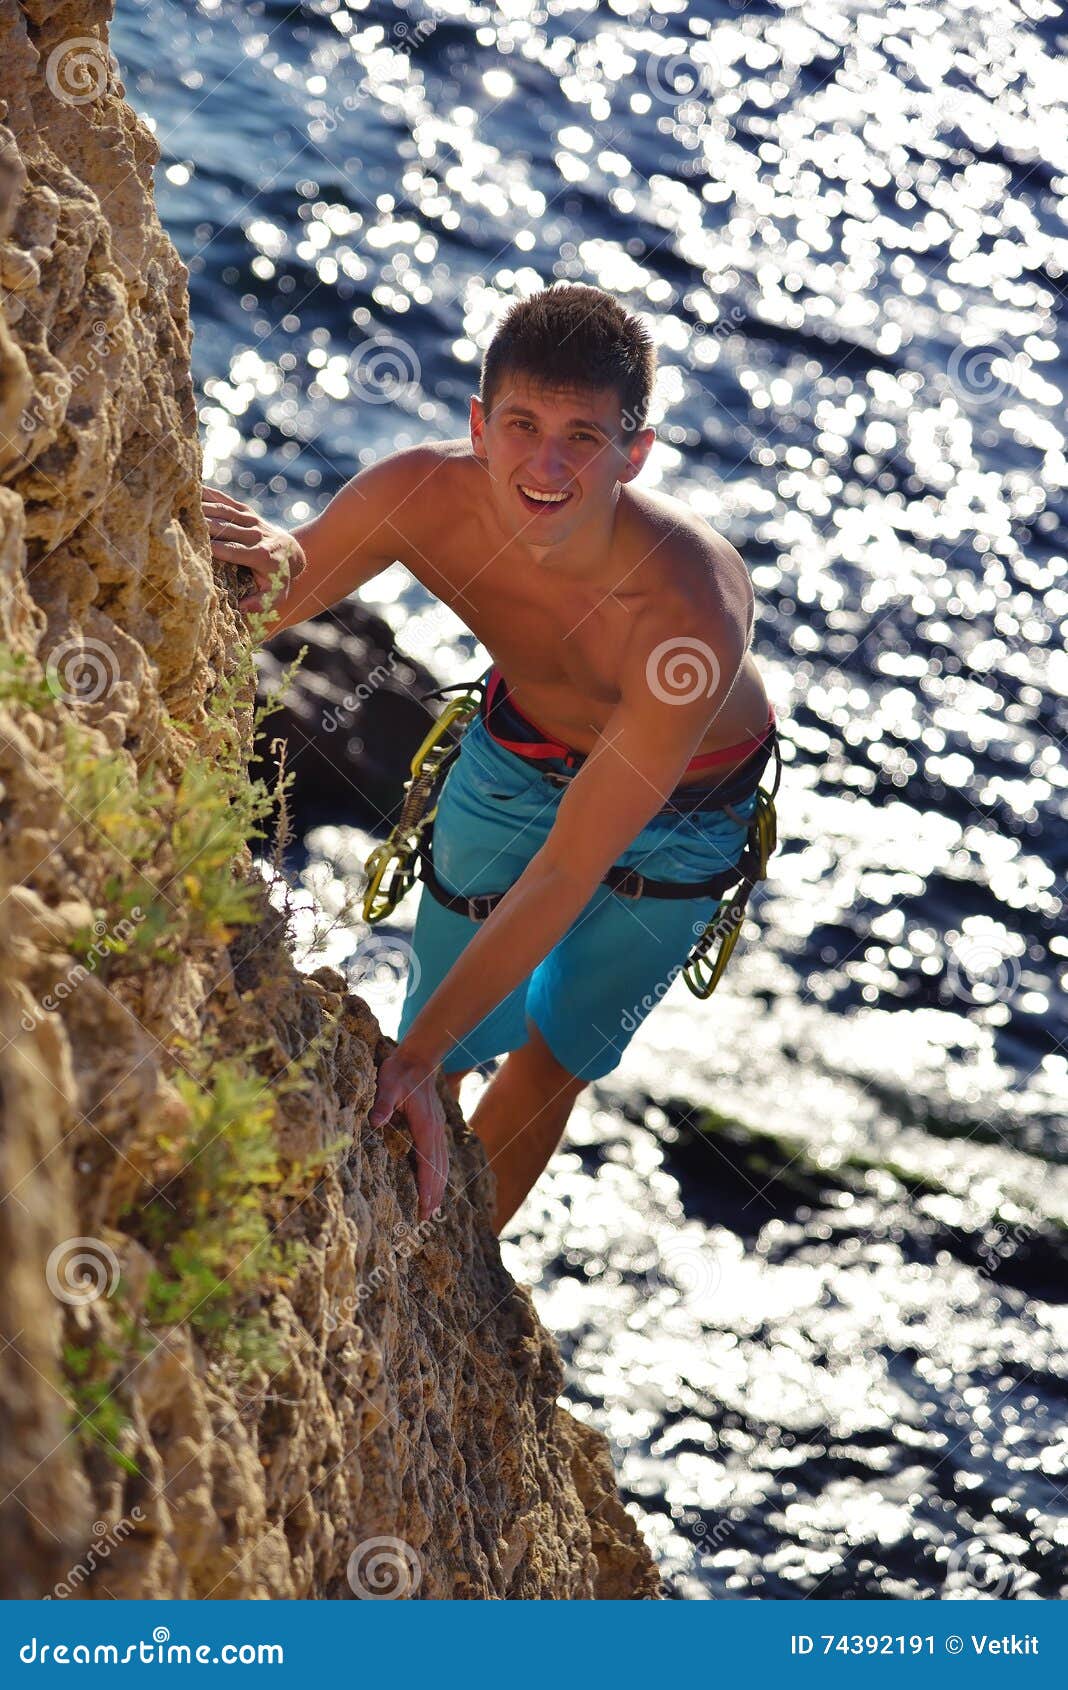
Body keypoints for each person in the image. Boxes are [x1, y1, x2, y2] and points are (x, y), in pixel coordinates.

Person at [205, 283, 775, 1235]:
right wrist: (278, 552)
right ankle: (390, 1210)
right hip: (518, 753)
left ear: (635, 452)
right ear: (479, 422)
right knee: (447, 1018)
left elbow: (568, 868)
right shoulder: (424, 495)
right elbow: (290, 582)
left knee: (557, 1054)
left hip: (688, 811)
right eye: (522, 424)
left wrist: (414, 1056)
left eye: (583, 437)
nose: (545, 464)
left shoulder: (685, 614)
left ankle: (453, 1261)